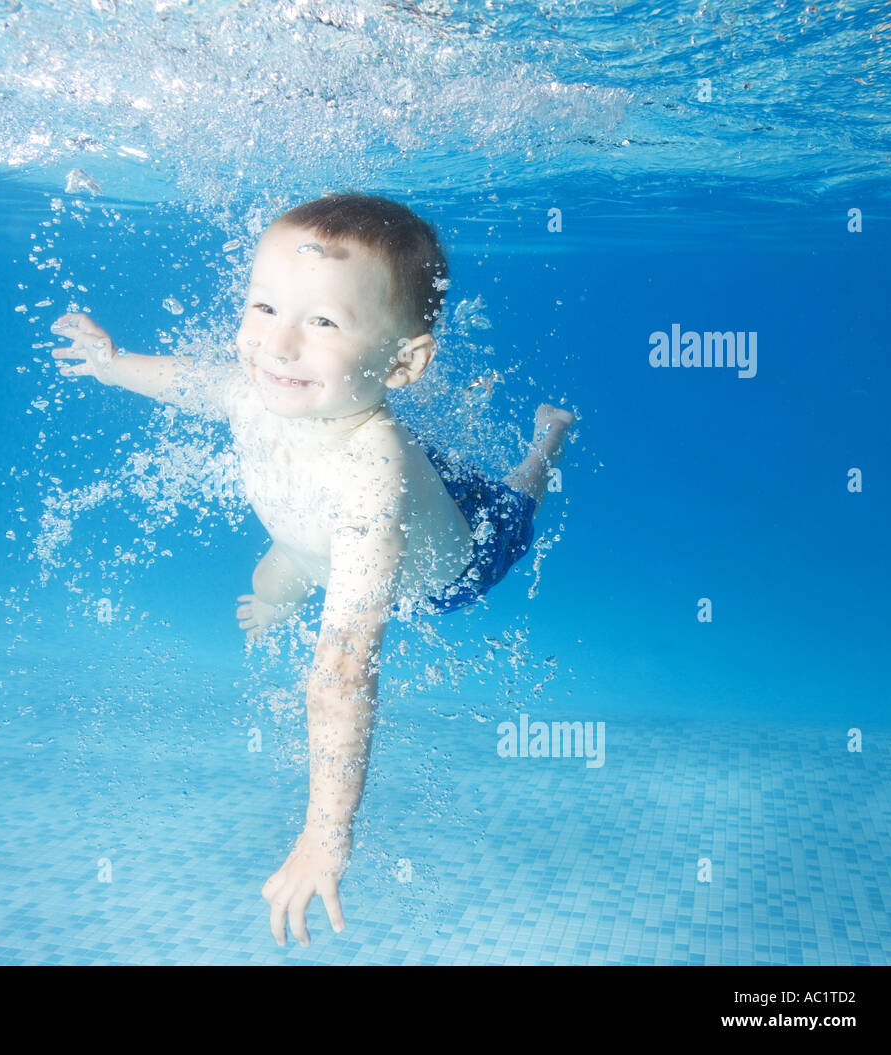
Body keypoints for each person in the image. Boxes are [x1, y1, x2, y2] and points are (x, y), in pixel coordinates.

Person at [49, 192, 575, 949]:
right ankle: (295, 577)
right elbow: (187, 379)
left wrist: (326, 835)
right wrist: (110, 364)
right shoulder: (256, 388)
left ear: (404, 360)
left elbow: (343, 667)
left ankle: (544, 447)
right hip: (320, 540)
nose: (278, 344)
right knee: (275, 582)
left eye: (322, 321)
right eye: (264, 307)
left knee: (512, 509)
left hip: (457, 560)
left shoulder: (371, 479)